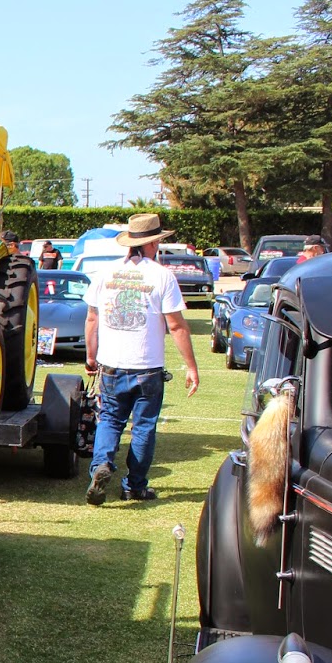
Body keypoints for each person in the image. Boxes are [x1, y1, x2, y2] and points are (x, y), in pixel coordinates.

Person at [83, 212, 200, 505]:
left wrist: (90, 358)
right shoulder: (162, 275)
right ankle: (134, 486)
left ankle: (101, 465)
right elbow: (176, 326)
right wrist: (191, 366)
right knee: (144, 426)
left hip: (112, 363)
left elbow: (92, 319)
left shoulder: (105, 273)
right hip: (148, 366)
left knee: (110, 420)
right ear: (153, 243)